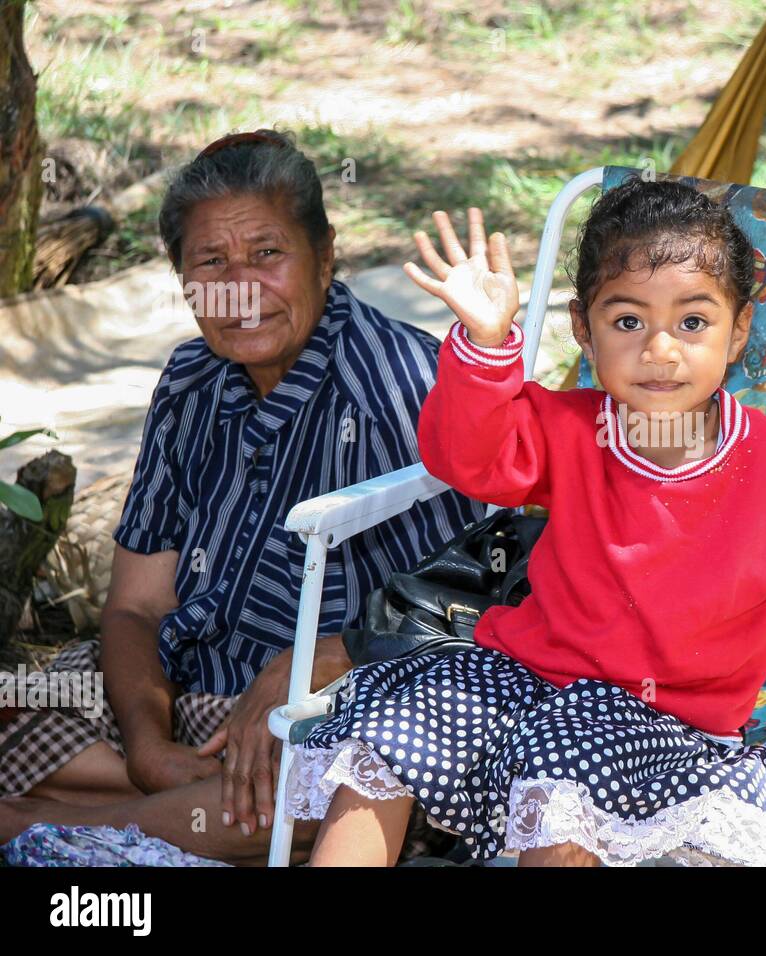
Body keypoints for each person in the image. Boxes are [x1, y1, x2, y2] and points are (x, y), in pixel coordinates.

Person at [284, 177, 766, 867]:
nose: (660, 349)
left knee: (565, 776)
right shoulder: (570, 429)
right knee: (391, 730)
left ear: (739, 332)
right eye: (627, 322)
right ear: (584, 332)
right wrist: (485, 342)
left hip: (668, 726)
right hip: (523, 677)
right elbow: (468, 457)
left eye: (692, 322)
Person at [0, 129, 483, 864]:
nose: (241, 290)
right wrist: (148, 745)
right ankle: (158, 809)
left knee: (339, 783)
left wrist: (317, 661)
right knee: (22, 701)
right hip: (185, 700)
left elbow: (467, 613)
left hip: (322, 717)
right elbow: (134, 606)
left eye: (267, 254)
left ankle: (43, 823)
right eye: (211, 262)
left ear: (325, 257)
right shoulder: (191, 379)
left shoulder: (401, 387)